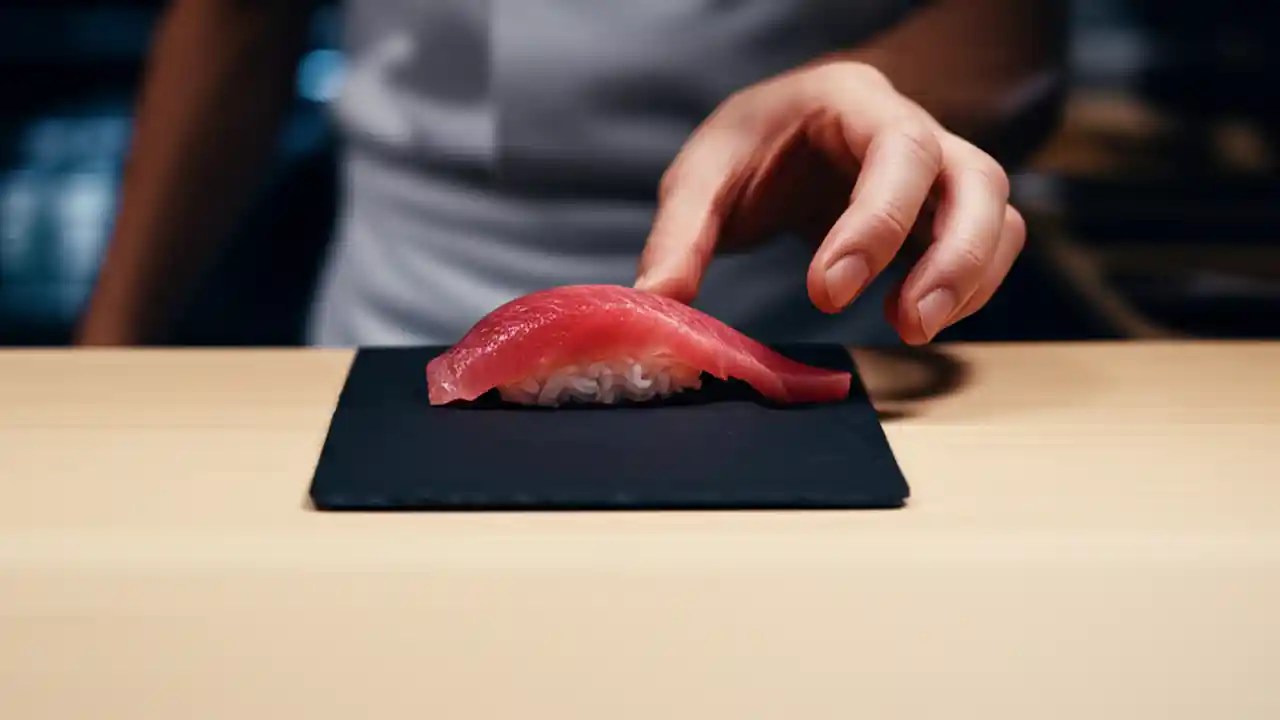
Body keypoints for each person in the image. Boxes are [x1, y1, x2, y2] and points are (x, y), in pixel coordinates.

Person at [78, 0, 1066, 347]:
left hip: (801, 322)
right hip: (387, 319)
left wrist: (860, 105)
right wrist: (110, 343)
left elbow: (1007, 37)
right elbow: (235, 18)